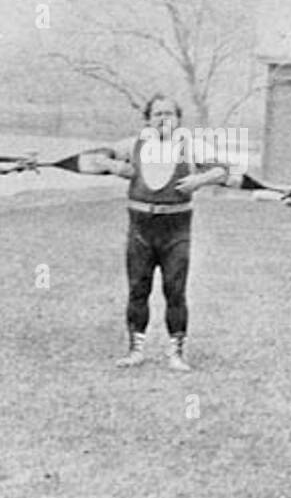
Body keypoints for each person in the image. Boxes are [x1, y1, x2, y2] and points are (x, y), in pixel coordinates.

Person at [82, 95, 229, 371]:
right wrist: (117, 167)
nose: (164, 119)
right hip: (141, 228)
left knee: (175, 292)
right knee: (138, 290)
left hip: (176, 229)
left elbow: (224, 170)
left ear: (179, 120)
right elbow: (94, 157)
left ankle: (176, 353)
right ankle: (135, 350)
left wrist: (200, 179)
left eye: (170, 114)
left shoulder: (192, 144)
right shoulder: (133, 144)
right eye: (158, 114)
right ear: (148, 120)